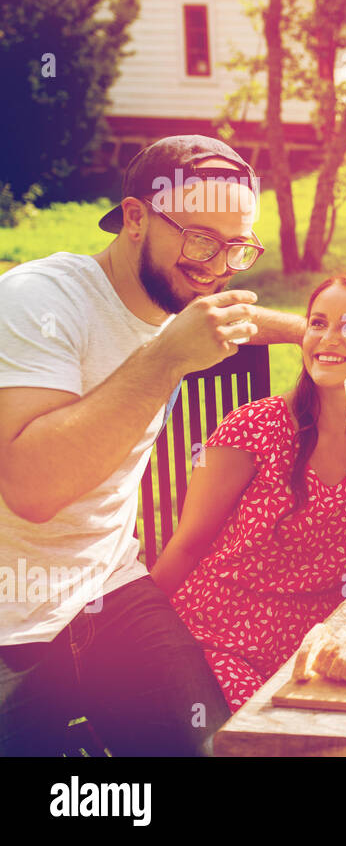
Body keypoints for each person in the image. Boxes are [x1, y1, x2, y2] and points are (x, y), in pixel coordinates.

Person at [0, 135, 306, 755]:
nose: (217, 268)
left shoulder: (176, 293)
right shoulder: (40, 301)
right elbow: (33, 489)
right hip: (13, 614)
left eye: (235, 247)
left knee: (211, 748)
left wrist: (322, 334)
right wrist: (167, 357)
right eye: (200, 239)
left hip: (108, 589)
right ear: (136, 218)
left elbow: (242, 318)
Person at [151, 269, 346, 711]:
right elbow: (185, 548)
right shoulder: (256, 427)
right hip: (215, 637)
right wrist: (131, 645)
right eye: (318, 323)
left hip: (314, 647)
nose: (328, 339)